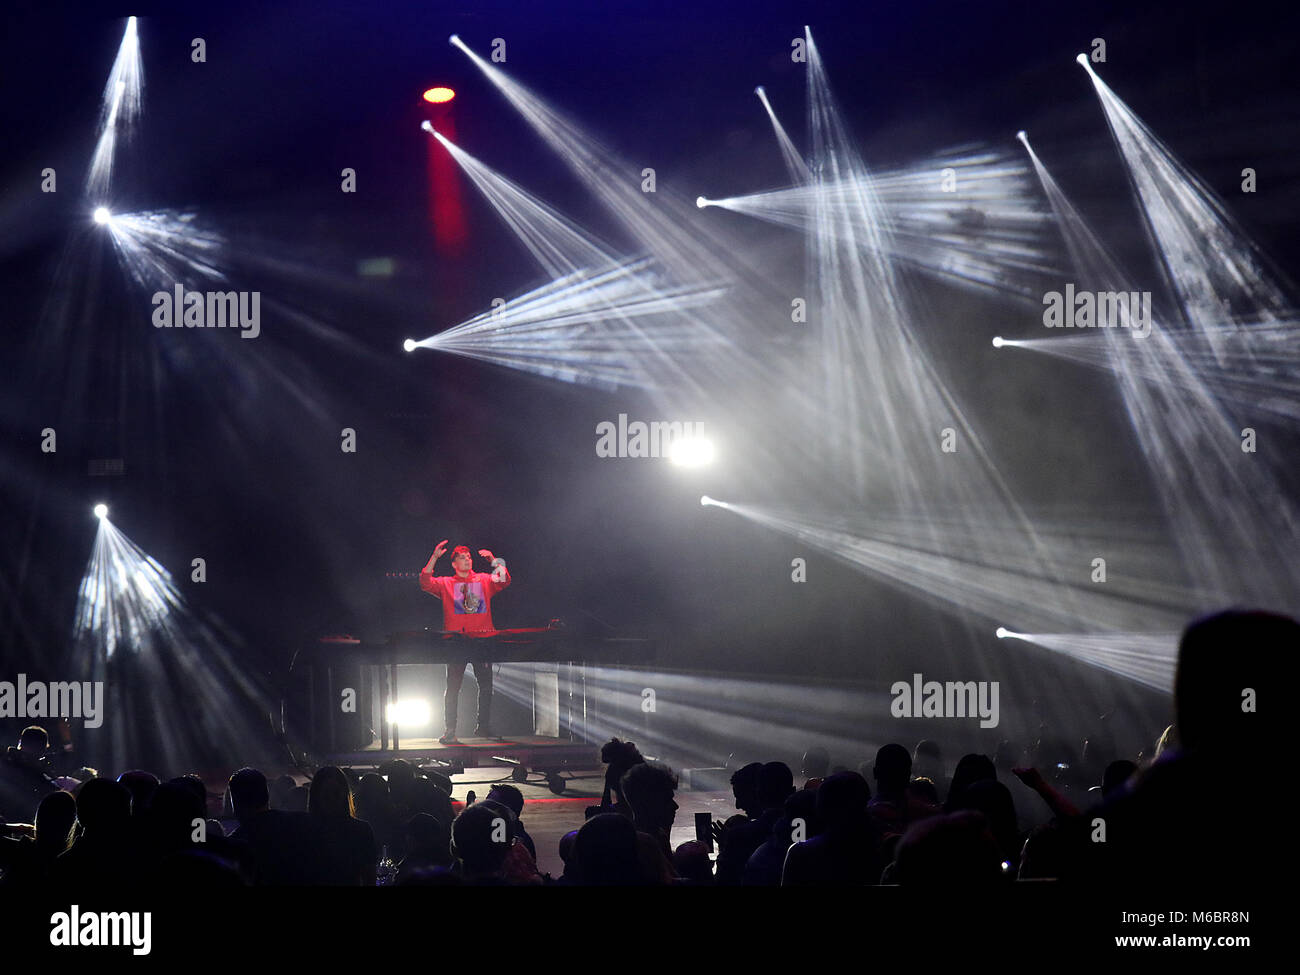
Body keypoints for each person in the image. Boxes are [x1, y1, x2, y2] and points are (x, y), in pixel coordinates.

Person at [419, 539, 512, 743]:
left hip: (483, 641)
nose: (467, 560)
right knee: (453, 687)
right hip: (456, 642)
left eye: (468, 557)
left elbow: (505, 580)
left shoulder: (484, 580)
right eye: (462, 557)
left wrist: (493, 559)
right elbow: (425, 582)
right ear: (454, 564)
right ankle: (450, 730)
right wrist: (434, 557)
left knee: (486, 685)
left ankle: (483, 728)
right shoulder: (445, 583)